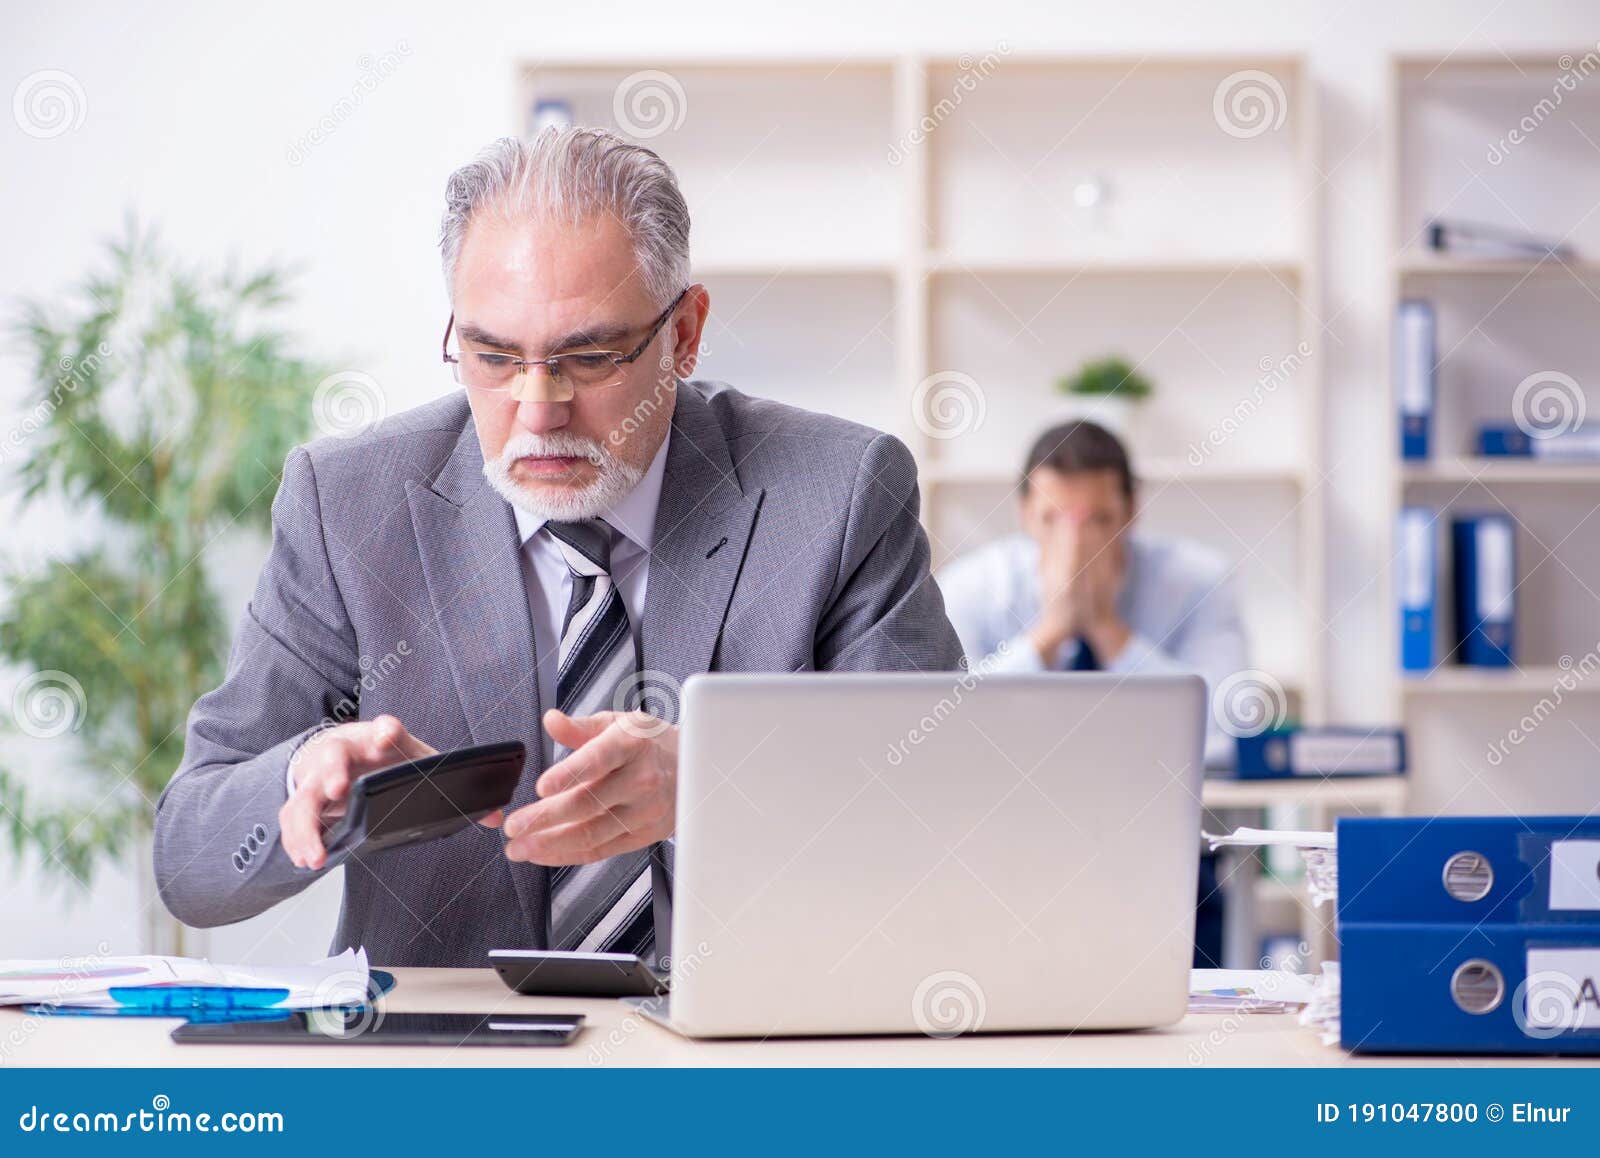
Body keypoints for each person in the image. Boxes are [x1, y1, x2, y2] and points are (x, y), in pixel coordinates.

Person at [153, 127, 963, 966]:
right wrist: (301, 781)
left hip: (744, 1054)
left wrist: (721, 786)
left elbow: (949, 812)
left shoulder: (837, 494)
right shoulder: (348, 506)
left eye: (589, 356)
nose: (538, 410)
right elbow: (190, 864)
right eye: (494, 356)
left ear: (685, 333)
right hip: (446, 1071)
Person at [936, 420, 1249, 965]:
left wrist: (1109, 630)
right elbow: (947, 730)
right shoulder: (973, 588)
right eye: (1052, 518)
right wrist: (1047, 635)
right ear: (1023, 515)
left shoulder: (1198, 581)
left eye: (1098, 520)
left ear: (1132, 511)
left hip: (1156, 845)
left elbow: (1226, 733)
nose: (1075, 542)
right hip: (1009, 846)